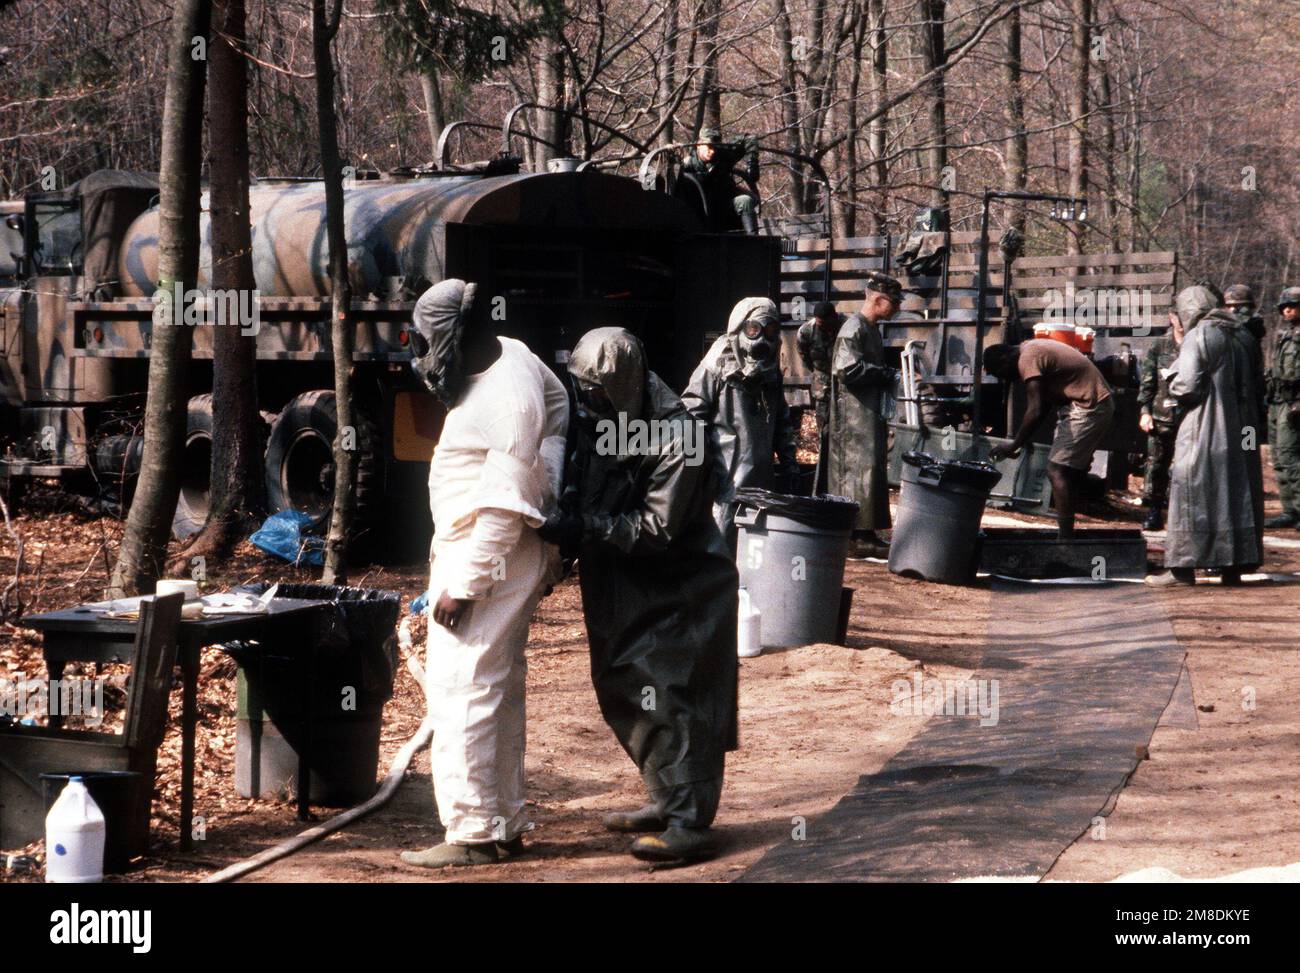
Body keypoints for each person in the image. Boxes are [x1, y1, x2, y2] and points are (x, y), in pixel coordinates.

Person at [540, 327, 739, 865]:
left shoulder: (679, 435)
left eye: (596, 391)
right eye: (582, 390)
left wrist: (585, 526)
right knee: (626, 685)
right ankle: (668, 796)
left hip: (680, 586)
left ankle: (689, 820)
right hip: (626, 584)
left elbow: (658, 528)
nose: (587, 401)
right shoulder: (614, 417)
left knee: (672, 692)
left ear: (621, 384)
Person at [399, 279, 569, 868]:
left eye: (429, 340)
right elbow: (561, 407)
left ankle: (471, 834)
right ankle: (502, 823)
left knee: (463, 690)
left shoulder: (508, 400)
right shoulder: (515, 353)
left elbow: (502, 508)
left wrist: (464, 586)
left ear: (458, 333)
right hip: (485, 548)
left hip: (488, 555)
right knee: (495, 689)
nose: (424, 351)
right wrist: (548, 479)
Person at [1147, 284, 1264, 585]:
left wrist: (1171, 382)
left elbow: (1187, 387)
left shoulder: (1199, 335)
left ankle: (1181, 569)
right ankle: (1232, 568)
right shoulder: (1245, 335)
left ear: (1188, 311)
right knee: (1235, 495)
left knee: (1190, 490)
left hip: (1205, 427)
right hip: (1242, 432)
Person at [683, 297, 797, 547]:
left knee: (755, 546)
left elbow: (780, 419)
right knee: (720, 542)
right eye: (754, 330)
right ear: (738, 329)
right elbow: (691, 416)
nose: (761, 342)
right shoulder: (715, 367)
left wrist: (789, 463)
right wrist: (699, 470)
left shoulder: (770, 372)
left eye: (769, 332)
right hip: (724, 478)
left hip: (760, 479)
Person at [984, 338, 1115, 538]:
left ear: (1005, 359)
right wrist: (1023, 439)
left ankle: (1065, 539)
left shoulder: (1028, 358)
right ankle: (1073, 523)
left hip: (1088, 406)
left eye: (999, 373)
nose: (1004, 379)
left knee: (1057, 470)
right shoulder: (1031, 349)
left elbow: (1035, 409)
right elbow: (1043, 405)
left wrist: (1014, 444)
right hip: (1087, 404)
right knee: (1069, 471)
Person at [829, 272, 901, 559]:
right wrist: (884, 374)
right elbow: (847, 370)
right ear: (879, 299)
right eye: (894, 303)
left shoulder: (869, 329)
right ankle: (857, 536)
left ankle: (866, 532)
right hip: (853, 418)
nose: (897, 309)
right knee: (858, 472)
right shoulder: (854, 329)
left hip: (865, 413)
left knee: (869, 471)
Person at [1136, 310, 1185, 530]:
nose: (1182, 322)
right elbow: (1147, 382)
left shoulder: (1198, 345)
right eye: (1178, 317)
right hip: (1161, 416)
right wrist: (1144, 411)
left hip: (1189, 419)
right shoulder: (1160, 346)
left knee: (1187, 469)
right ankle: (1155, 511)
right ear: (1172, 317)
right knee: (1156, 466)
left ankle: (1183, 518)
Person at [1265, 286, 1300, 528]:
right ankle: (1290, 510)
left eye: (1292, 305)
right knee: (1277, 458)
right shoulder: (1284, 335)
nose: (1286, 310)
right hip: (1278, 401)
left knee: (1290, 457)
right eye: (1283, 306)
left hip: (1294, 402)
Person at [681, 127, 760, 234]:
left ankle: (752, 242)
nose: (712, 151)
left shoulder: (724, 156)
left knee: (745, 200)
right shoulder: (687, 164)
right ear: (699, 145)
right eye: (709, 147)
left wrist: (752, 162)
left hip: (723, 207)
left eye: (715, 147)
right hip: (698, 213)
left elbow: (749, 138)